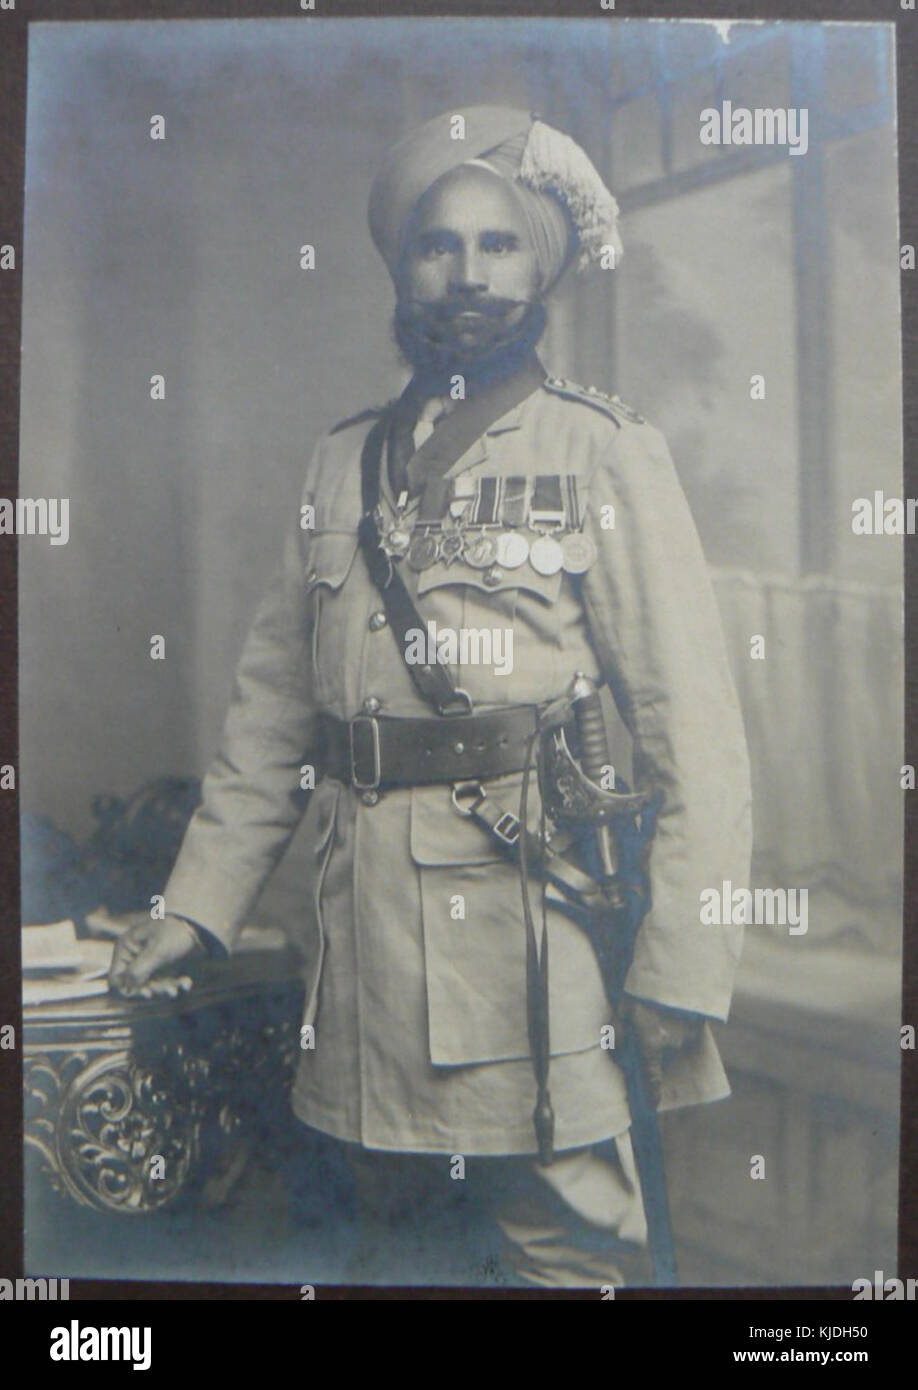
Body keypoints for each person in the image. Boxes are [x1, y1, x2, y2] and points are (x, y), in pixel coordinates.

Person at [110, 105, 752, 1288]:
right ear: (401, 268)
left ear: (540, 270)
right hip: (361, 957)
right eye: (437, 244)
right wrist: (197, 907)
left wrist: (682, 962)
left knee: (563, 1256)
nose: (466, 273)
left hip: (532, 951)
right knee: (394, 1259)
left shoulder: (604, 451)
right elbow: (271, 718)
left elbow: (696, 733)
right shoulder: (338, 462)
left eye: (499, 246)